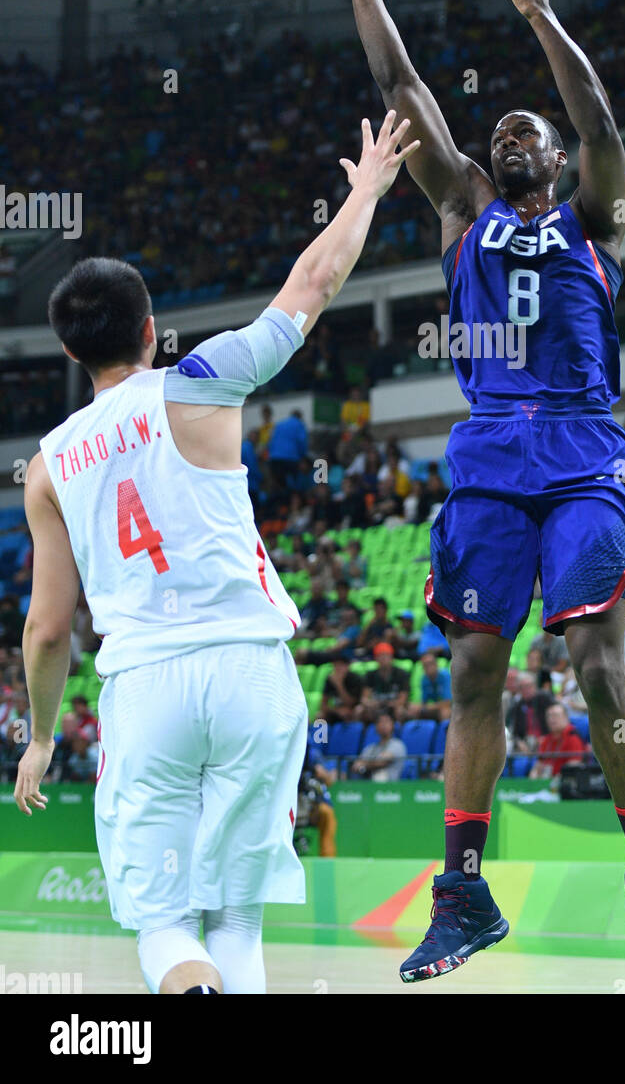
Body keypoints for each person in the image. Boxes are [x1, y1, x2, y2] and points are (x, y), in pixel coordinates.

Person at [293, 0, 625, 985]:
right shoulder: (463, 207)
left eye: (532, 132)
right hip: (488, 457)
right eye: (502, 128)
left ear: (558, 163)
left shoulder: (595, 218)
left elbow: (600, 122)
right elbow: (401, 88)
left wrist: (537, 13)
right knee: (473, 670)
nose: (513, 134)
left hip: (581, 452)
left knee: (597, 670)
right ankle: (463, 895)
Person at [13, 110, 417, 995]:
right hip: (251, 674)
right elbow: (313, 282)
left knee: (164, 922)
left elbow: (46, 630)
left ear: (71, 350)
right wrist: (363, 192)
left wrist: (41, 738)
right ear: (151, 329)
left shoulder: (46, 467)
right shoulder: (202, 381)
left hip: (145, 686)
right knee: (237, 917)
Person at [531, 702, 587, 778]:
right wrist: (533, 775)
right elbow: (539, 764)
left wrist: (558, 778)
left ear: (566, 718)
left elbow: (573, 765)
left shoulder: (573, 737)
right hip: (545, 780)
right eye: (548, 716)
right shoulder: (546, 739)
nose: (551, 719)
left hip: (564, 780)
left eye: (555, 715)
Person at [350, 710, 407, 781]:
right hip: (370, 784)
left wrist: (364, 765)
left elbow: (382, 762)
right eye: (380, 722)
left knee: (380, 776)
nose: (383, 725)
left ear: (393, 725)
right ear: (375, 726)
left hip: (390, 784)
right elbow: (357, 765)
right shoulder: (370, 748)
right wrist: (363, 765)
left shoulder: (398, 744)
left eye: (386, 721)